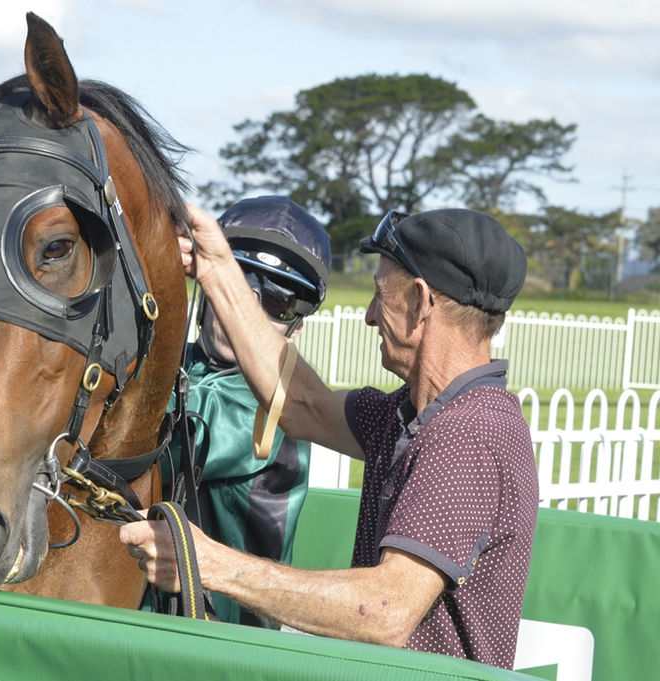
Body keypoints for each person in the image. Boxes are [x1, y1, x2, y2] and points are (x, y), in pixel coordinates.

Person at [120, 206, 538, 670]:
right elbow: (303, 406)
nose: (369, 316)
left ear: (420, 304)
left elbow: (386, 612)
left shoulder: (467, 433)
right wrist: (217, 269)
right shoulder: (410, 413)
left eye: (381, 295)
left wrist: (211, 565)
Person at [166, 195, 332, 628]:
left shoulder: (274, 401)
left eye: (276, 301)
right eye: (237, 282)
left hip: (225, 645)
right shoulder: (170, 359)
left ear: (297, 322)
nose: (247, 309)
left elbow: (171, 434)